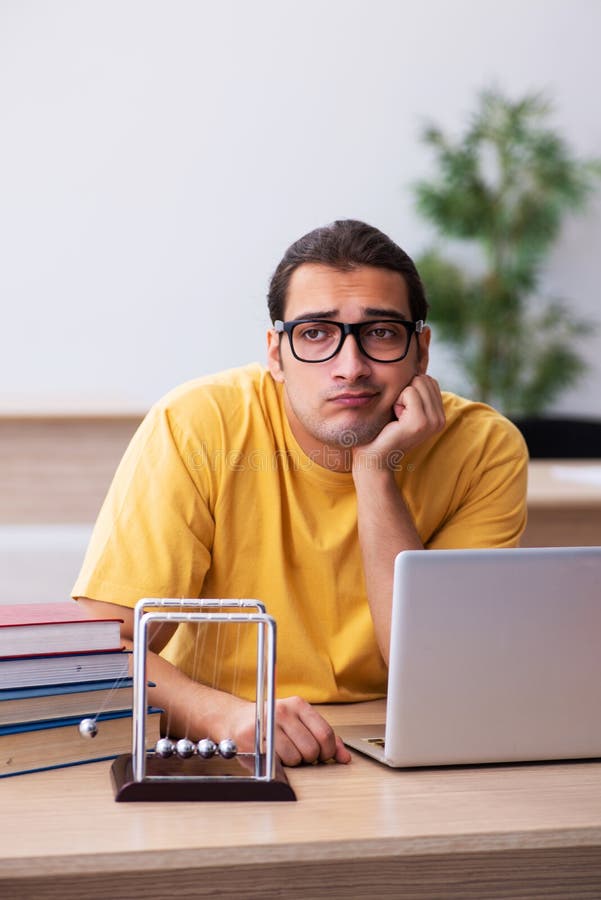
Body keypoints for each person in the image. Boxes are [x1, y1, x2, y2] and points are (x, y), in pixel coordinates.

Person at [73, 219, 528, 766]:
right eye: (316, 333)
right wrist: (223, 715)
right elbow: (98, 652)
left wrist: (375, 471)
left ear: (421, 350)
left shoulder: (484, 447)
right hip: (222, 742)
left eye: (381, 332)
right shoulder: (197, 424)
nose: (350, 367)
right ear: (276, 352)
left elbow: (441, 675)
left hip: (393, 744)